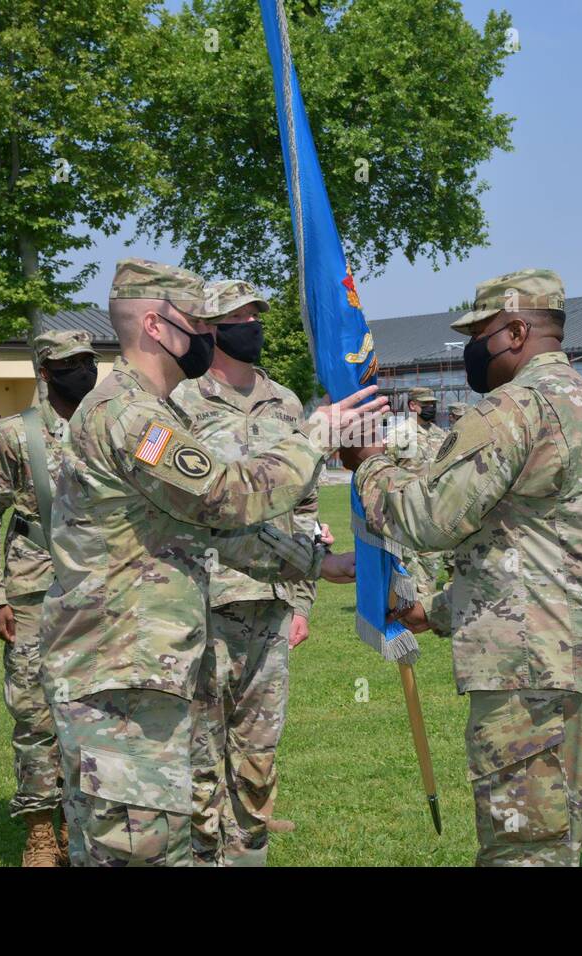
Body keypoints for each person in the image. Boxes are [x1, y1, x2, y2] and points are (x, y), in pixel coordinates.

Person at [39, 259, 379, 867]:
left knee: (167, 846)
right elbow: (229, 494)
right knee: (135, 853)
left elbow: (209, 532)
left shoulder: (151, 409)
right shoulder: (129, 416)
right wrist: (315, 436)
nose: (207, 334)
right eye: (196, 321)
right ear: (156, 325)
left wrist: (313, 563)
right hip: (121, 683)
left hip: (146, 675)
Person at [346, 268, 582, 867]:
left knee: (527, 850)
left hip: (540, 676)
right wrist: (439, 610)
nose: (473, 349)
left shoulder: (512, 409)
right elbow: (547, 546)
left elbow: (426, 518)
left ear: (516, 330)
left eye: (480, 334)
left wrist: (368, 465)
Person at [171, 279, 324, 864]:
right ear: (209, 328)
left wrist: (303, 601)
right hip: (202, 603)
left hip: (272, 602)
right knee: (199, 759)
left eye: (257, 315)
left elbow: (304, 504)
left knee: (258, 757)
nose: (253, 326)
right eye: (240, 318)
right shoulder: (181, 404)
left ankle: (250, 855)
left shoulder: (286, 403)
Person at [0, 330, 101, 866]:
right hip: (33, 591)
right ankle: (41, 830)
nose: (83, 372)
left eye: (89, 362)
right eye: (69, 364)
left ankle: (85, 818)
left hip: (103, 590)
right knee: (35, 713)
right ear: (45, 372)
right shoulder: (14, 435)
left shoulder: (112, 425)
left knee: (96, 708)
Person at [384, 385, 448, 600]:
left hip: (433, 508)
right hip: (406, 509)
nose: (431, 408)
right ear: (413, 406)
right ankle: (407, 603)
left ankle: (424, 601)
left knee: (431, 559)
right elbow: (385, 470)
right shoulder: (400, 435)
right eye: (426, 405)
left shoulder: (441, 435)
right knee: (409, 560)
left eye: (433, 405)